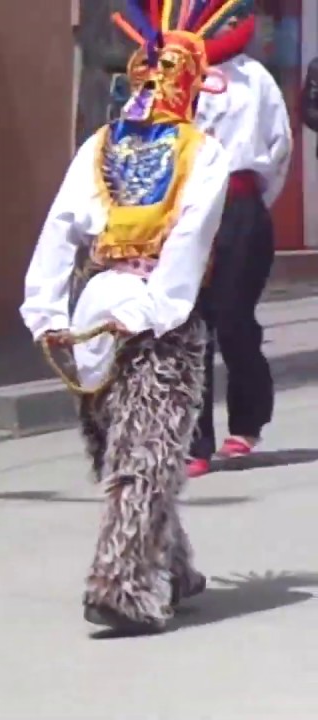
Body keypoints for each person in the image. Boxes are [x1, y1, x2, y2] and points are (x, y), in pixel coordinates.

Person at [21, 0, 243, 634]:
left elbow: (186, 239)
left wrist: (144, 310)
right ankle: (146, 578)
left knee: (137, 455)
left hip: (140, 318)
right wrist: (46, 312)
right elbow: (64, 230)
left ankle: (141, 578)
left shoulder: (196, 153)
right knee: (131, 456)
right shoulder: (114, 148)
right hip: (120, 314)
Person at [187, 3, 293, 476]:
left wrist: (248, 203)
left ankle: (247, 423)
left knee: (232, 320)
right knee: (190, 327)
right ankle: (194, 442)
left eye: (233, 16)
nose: (227, 26)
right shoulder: (179, 72)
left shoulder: (255, 79)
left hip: (240, 205)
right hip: (188, 211)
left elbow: (279, 147)